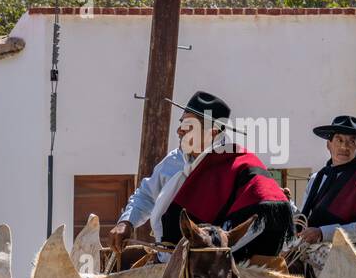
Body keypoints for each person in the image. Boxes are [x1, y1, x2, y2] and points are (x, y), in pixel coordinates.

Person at [110, 91, 292, 262]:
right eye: (181, 124)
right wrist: (126, 222)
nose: (179, 131)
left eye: (188, 126)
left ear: (212, 132)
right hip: (165, 261)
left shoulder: (239, 164)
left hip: (212, 271)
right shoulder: (173, 160)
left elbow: (264, 212)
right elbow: (146, 195)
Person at [296, 114, 356, 255]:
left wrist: (323, 233)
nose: (344, 146)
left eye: (351, 141)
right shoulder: (316, 178)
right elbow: (306, 217)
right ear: (328, 144)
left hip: (354, 256)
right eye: (339, 139)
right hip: (311, 251)